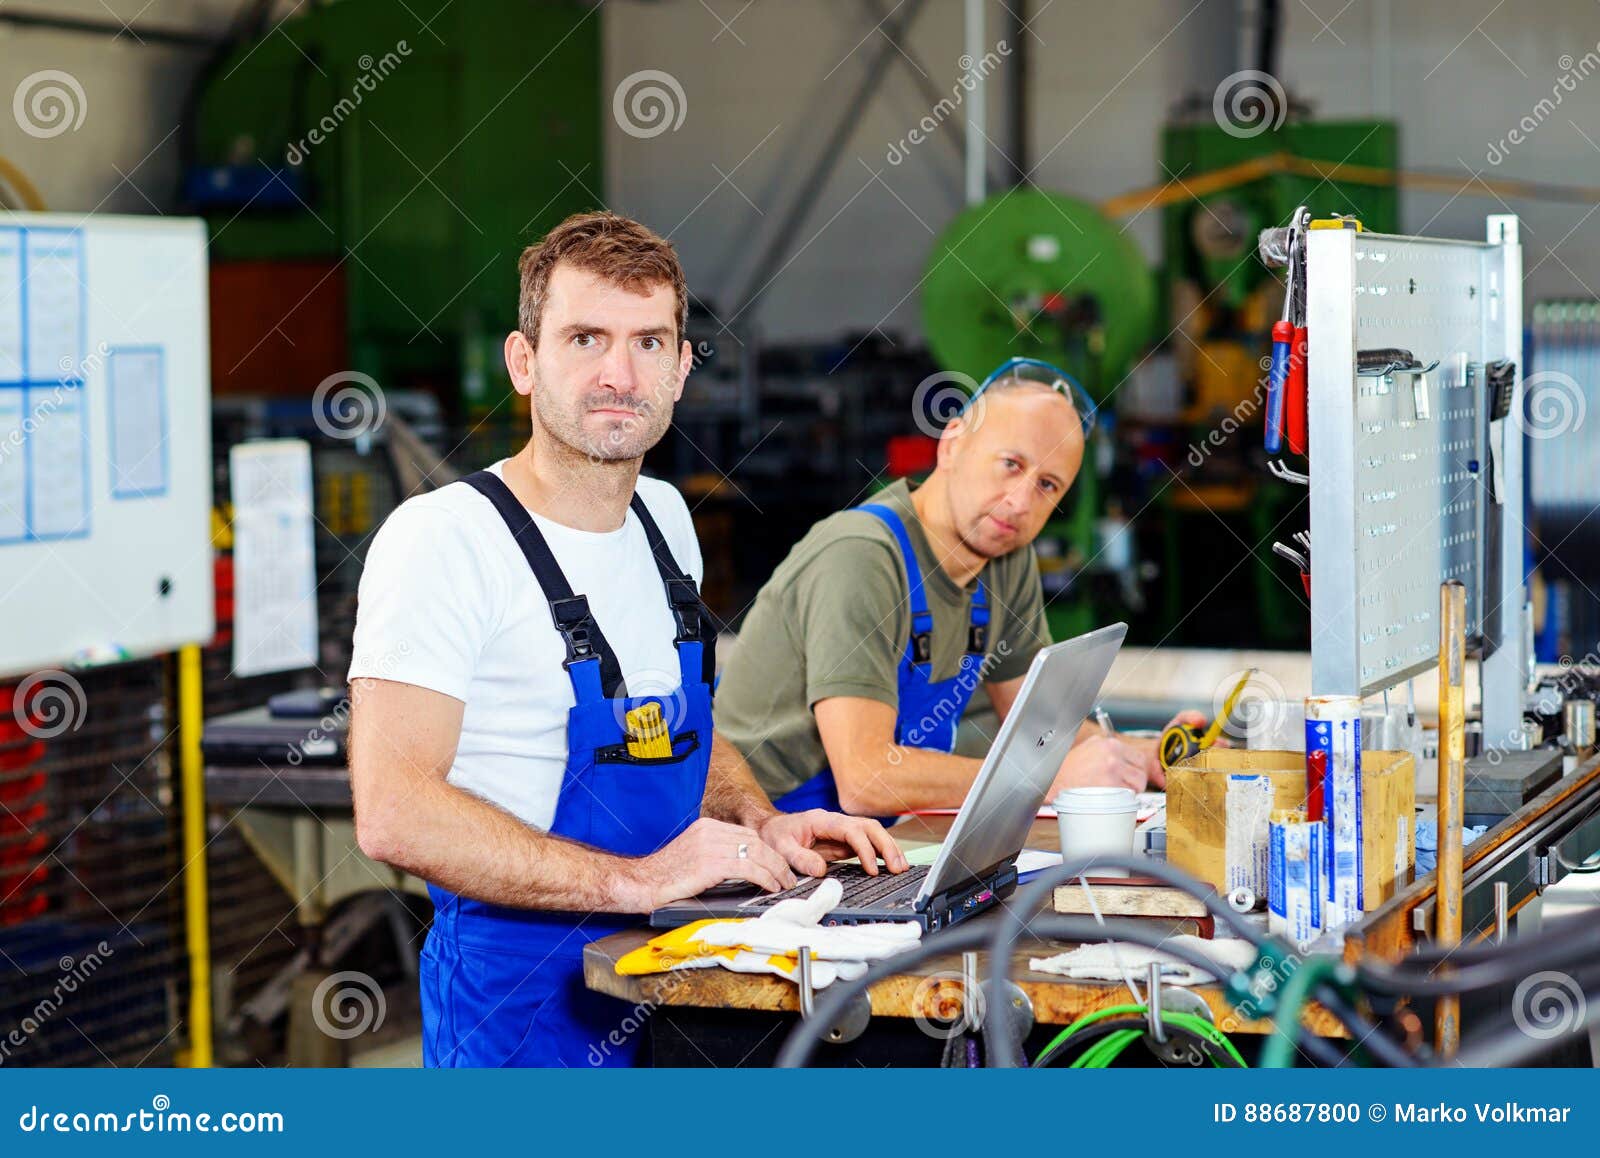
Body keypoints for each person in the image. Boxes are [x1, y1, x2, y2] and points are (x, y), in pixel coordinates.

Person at [347, 211, 905, 1068]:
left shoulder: (665, 520)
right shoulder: (444, 541)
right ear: (524, 362)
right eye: (585, 338)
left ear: (682, 369)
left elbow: (677, 725)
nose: (619, 373)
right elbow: (393, 814)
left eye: (649, 343)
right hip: (523, 1009)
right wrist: (636, 880)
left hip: (678, 974)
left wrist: (764, 823)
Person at [715, 359, 1205, 819]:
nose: (1020, 501)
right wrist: (1044, 780)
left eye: (1048, 486)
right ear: (951, 445)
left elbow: (1038, 726)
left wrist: (1140, 753)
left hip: (870, 830)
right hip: (764, 829)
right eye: (1011, 464)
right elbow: (864, 778)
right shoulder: (862, 555)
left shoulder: (1005, 556)